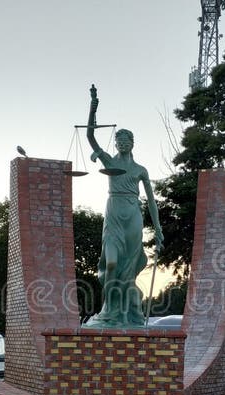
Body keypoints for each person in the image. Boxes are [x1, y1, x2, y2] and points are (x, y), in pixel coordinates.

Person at [83, 84, 163, 328]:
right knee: (111, 264)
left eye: (126, 140)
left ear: (132, 143)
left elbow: (150, 200)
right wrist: (93, 108)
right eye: (119, 140)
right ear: (116, 144)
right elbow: (89, 136)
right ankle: (109, 310)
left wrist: (158, 230)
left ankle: (127, 314)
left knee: (128, 271)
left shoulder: (140, 170)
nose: (122, 143)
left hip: (133, 216)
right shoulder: (109, 161)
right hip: (114, 213)